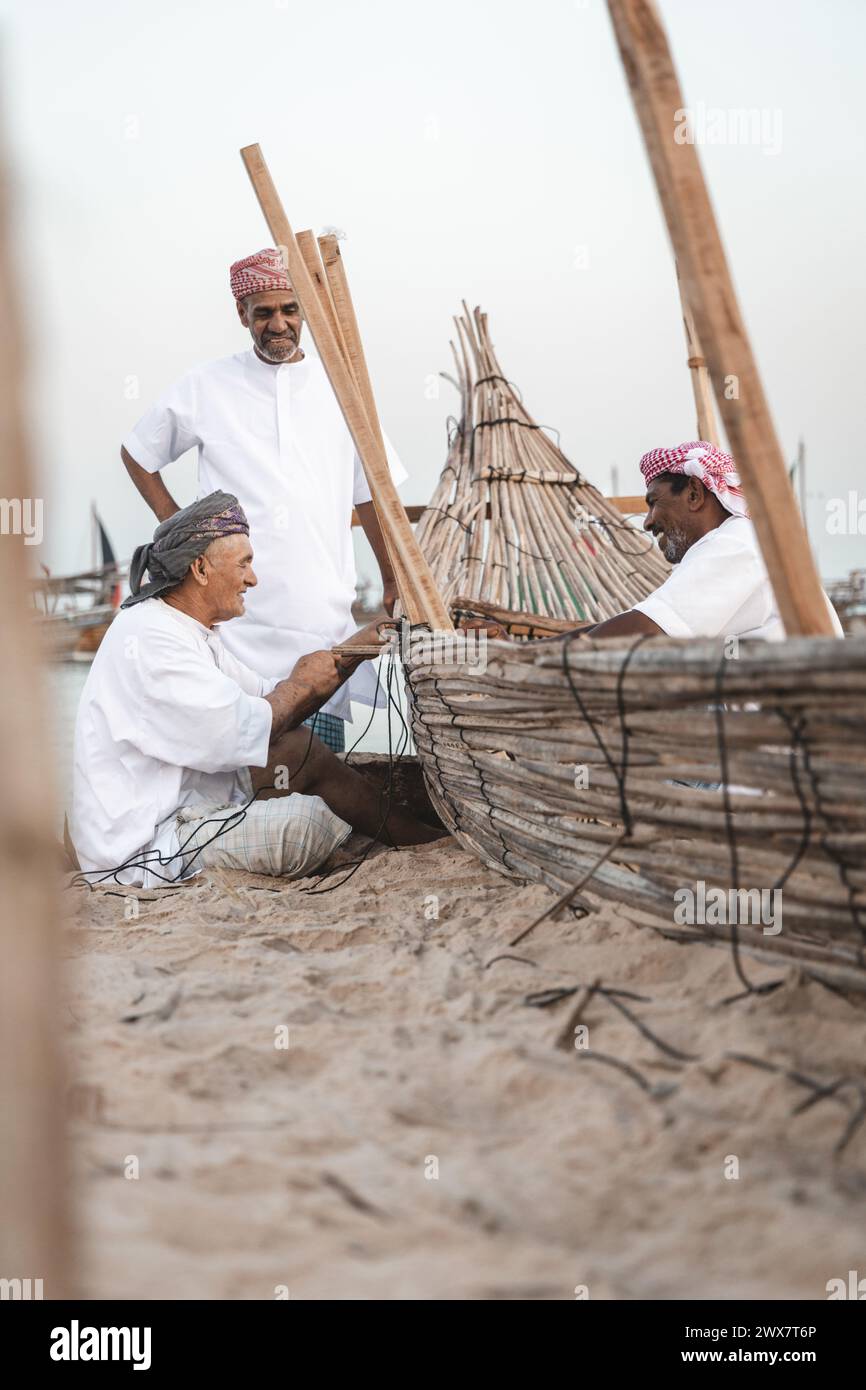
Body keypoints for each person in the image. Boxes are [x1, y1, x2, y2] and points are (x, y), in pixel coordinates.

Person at [70, 493, 442, 890]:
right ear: (200, 568)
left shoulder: (190, 631)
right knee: (306, 826)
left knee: (297, 748)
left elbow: (271, 701)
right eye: (244, 563)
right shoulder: (151, 637)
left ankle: (415, 839)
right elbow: (257, 721)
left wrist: (351, 653)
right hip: (148, 845)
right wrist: (302, 682)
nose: (253, 578)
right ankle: (418, 840)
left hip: (188, 809)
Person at [120, 246, 406, 754]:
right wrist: (184, 531)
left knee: (320, 779)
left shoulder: (342, 389)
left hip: (320, 626)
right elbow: (139, 453)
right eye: (264, 313)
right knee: (239, 776)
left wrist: (390, 579)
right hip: (233, 632)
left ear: (306, 313)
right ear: (242, 315)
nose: (279, 324)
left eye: (290, 310)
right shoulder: (206, 385)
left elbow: (372, 498)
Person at [572, 441, 843, 640]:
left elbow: (648, 629)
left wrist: (545, 656)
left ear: (694, 494)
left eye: (654, 503)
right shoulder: (734, 543)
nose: (648, 522)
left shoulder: (737, 544)